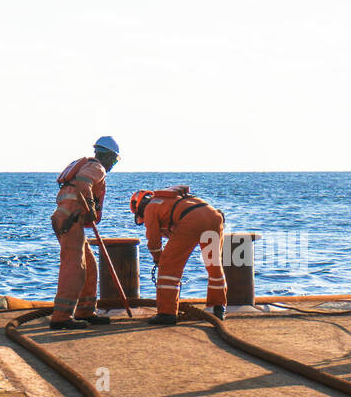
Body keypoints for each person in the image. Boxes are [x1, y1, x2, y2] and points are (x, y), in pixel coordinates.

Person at [49, 136, 119, 330]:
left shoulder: (86, 165)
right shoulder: (97, 167)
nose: (113, 164)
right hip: (71, 221)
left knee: (89, 265)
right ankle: (61, 317)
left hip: (67, 220)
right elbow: (82, 183)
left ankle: (85, 311)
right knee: (74, 269)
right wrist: (90, 208)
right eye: (114, 160)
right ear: (108, 156)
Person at [130, 186, 227, 325]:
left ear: (139, 206)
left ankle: (166, 314)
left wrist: (158, 259)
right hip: (214, 217)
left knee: (168, 268)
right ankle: (218, 307)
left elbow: (153, 242)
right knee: (214, 265)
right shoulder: (172, 201)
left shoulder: (151, 207)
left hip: (192, 220)